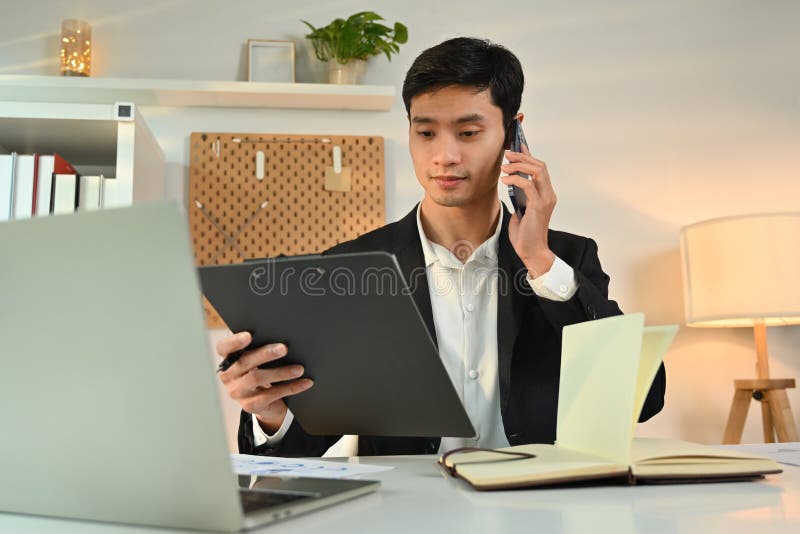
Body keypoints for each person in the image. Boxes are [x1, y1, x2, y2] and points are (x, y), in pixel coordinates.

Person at [215, 37, 666, 457]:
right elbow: (299, 451)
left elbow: (643, 398)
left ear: (513, 134)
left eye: (468, 133)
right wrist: (270, 412)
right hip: (409, 505)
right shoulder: (350, 268)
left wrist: (540, 262)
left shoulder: (566, 260)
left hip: (535, 502)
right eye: (426, 133)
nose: (444, 156)